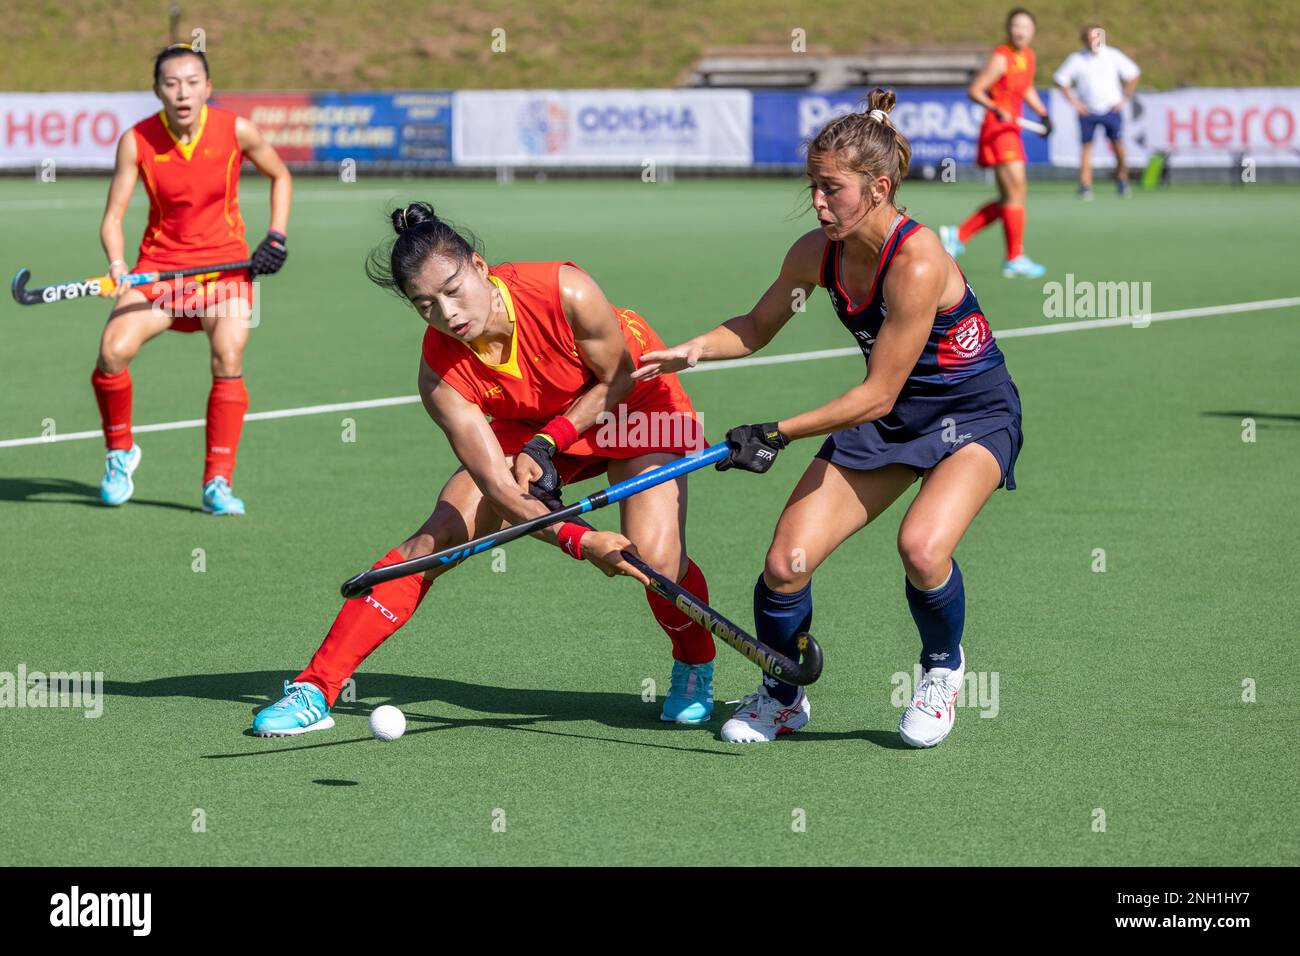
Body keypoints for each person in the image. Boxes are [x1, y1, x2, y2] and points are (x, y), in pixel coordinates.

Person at [635, 90, 1023, 748]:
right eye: (813, 187)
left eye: (831, 189)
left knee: (923, 548)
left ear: (877, 186)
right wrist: (695, 349)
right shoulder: (817, 253)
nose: (818, 202)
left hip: (970, 415)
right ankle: (782, 694)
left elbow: (876, 393)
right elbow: (758, 325)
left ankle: (940, 670)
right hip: (891, 418)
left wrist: (777, 433)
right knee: (786, 563)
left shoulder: (918, 260)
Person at [252, 202, 717, 736]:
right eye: (425, 305)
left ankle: (694, 664)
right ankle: (316, 687)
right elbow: (498, 487)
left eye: (452, 290)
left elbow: (617, 378)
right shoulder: (439, 377)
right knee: (432, 542)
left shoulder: (565, 290)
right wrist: (580, 540)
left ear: (478, 264)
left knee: (655, 560)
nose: (448, 314)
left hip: (635, 405)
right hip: (532, 425)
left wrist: (550, 441)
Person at [94, 43, 292, 515]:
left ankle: (217, 481)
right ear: (157, 89)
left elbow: (280, 175)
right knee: (112, 352)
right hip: (159, 269)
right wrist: (119, 264)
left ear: (207, 86)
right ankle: (120, 453)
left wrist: (276, 237)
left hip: (225, 268)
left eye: (191, 82)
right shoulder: (137, 140)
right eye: (171, 83)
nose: (182, 92)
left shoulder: (236, 130)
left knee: (228, 353)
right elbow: (113, 217)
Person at [938, 7, 1051, 278]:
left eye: (1025, 26)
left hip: (1012, 132)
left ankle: (959, 234)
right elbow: (975, 90)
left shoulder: (1028, 56)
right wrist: (995, 106)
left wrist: (1044, 113)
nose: (1020, 31)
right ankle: (1014, 257)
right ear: (1009, 29)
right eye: (1015, 26)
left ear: (1033, 30)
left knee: (1011, 197)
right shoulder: (1001, 57)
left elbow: (1026, 88)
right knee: (1016, 194)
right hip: (998, 131)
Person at [1054, 25, 1141, 199]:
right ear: (1085, 40)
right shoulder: (1077, 59)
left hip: (1111, 109)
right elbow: (1060, 80)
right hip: (1088, 111)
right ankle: (1085, 185)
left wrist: (1124, 97)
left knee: (1118, 146)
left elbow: (1133, 74)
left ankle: (1122, 179)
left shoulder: (1113, 55)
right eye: (1090, 38)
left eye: (1097, 37)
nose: (1094, 41)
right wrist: (1074, 103)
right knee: (1086, 147)